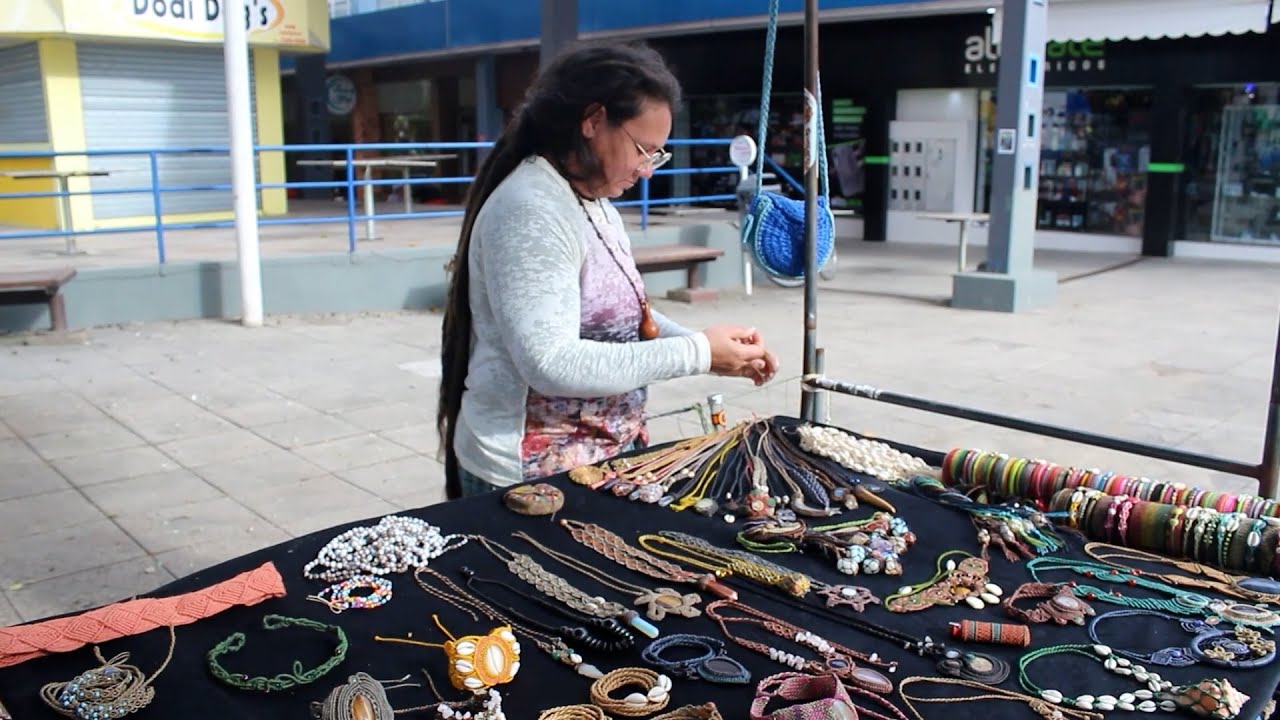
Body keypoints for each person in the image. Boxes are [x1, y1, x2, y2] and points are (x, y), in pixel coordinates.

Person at [437, 42, 780, 500]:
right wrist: (698, 353)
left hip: (601, 461)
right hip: (529, 478)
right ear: (593, 120)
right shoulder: (532, 210)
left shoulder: (594, 200)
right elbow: (550, 363)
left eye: (658, 156)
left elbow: (623, 321)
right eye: (644, 150)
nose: (648, 171)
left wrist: (715, 348)